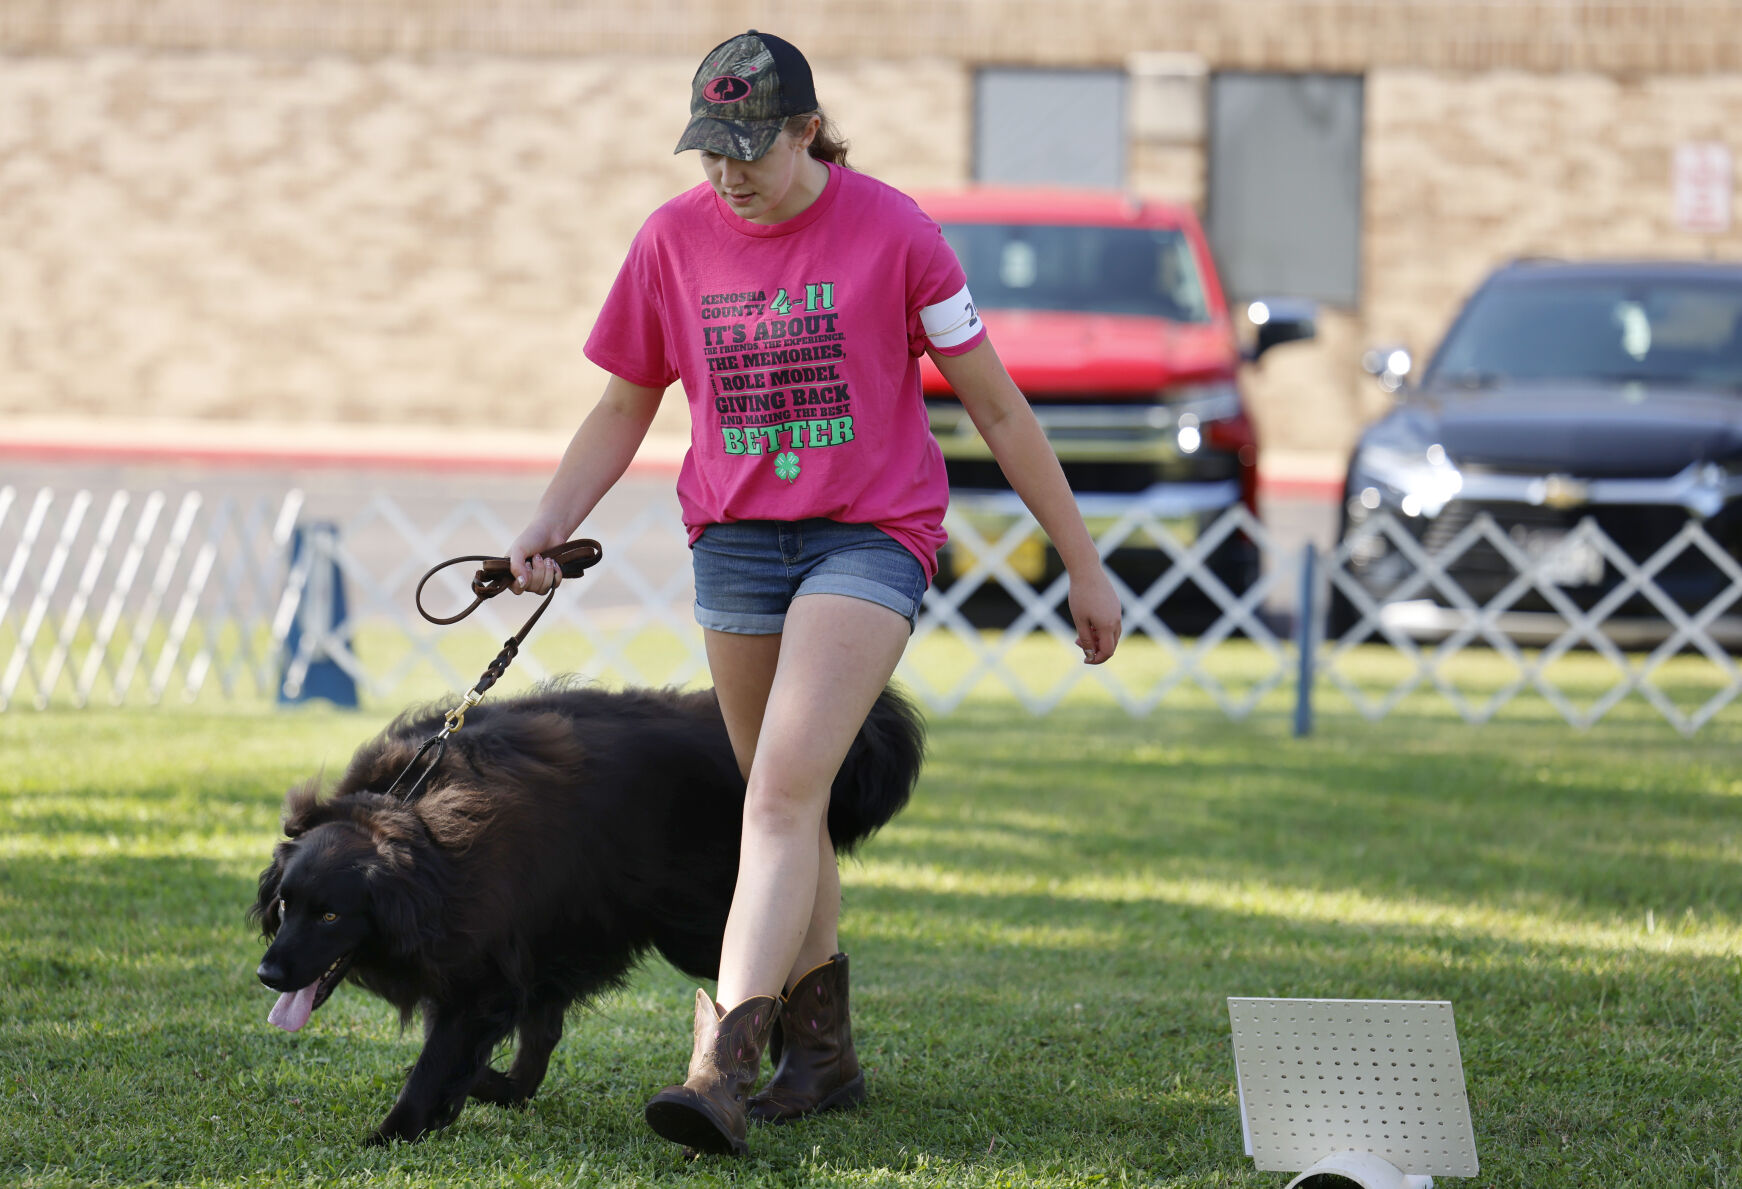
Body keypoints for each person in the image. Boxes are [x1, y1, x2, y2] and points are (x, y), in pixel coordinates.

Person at [505, 29, 1122, 1158]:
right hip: (735, 543)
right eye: (710, 151)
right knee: (781, 799)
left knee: (781, 794)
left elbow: (997, 408)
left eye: (751, 147)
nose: (730, 173)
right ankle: (824, 1054)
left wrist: (1080, 561)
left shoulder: (896, 233)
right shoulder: (670, 242)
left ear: (805, 129)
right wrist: (549, 524)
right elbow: (621, 404)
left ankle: (720, 1066)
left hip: (867, 537)